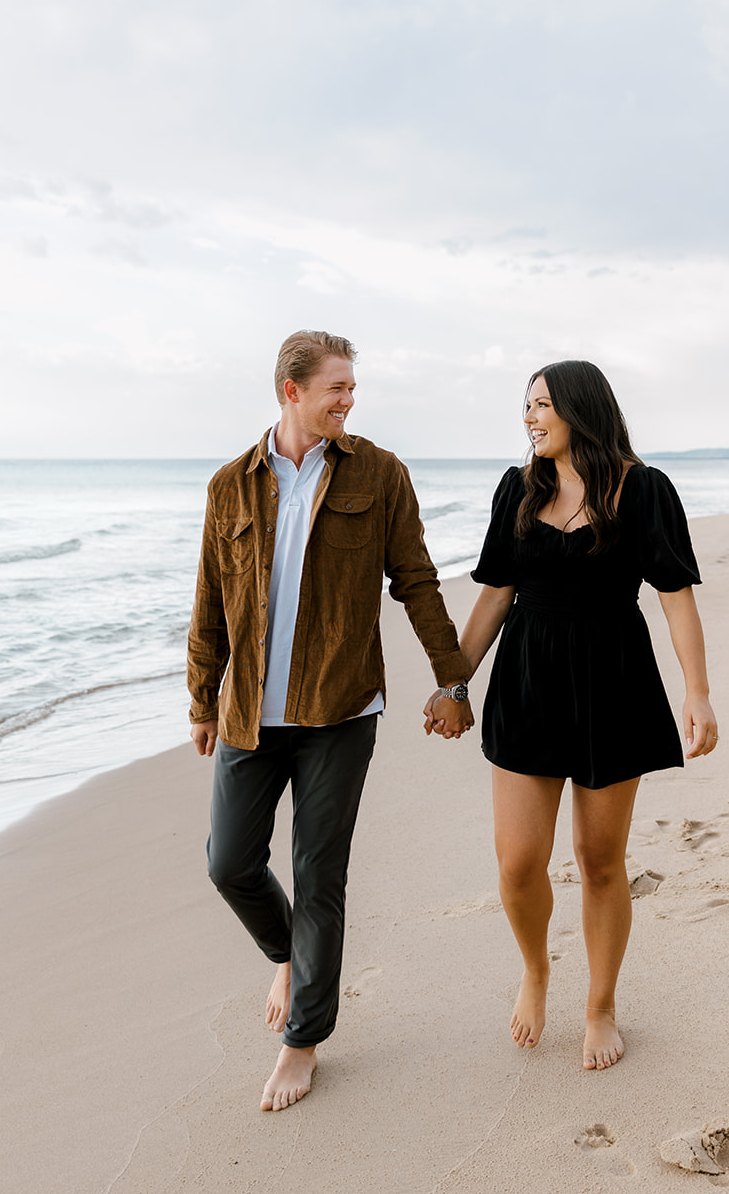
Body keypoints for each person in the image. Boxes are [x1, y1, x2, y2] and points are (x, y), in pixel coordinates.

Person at [188, 330, 469, 1112]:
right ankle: (289, 954)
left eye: (351, 386)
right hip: (249, 713)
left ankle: (302, 1042)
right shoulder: (229, 486)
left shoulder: (378, 473)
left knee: (318, 875)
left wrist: (451, 679)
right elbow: (209, 600)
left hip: (340, 709)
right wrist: (202, 699)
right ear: (293, 390)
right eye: (336, 388)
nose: (349, 399)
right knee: (228, 864)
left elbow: (415, 579)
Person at [424, 360, 717, 1071]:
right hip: (528, 681)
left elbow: (675, 596)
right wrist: (454, 684)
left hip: (612, 682)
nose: (529, 417)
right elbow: (495, 594)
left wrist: (697, 693)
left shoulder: (642, 489)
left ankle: (600, 1006)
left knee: (598, 861)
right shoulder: (519, 487)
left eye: (542, 405)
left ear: (579, 409)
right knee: (518, 861)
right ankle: (535, 969)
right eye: (526, 406)